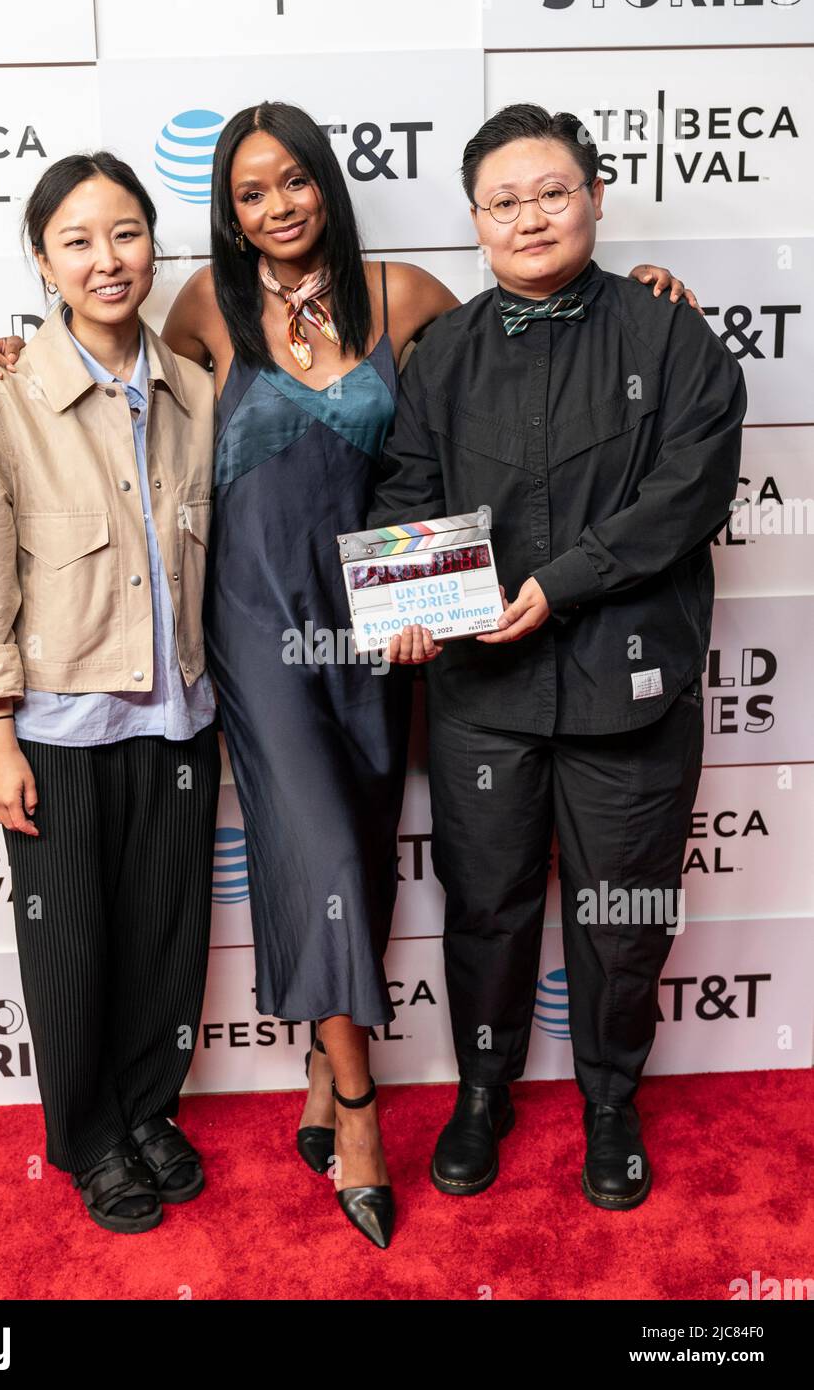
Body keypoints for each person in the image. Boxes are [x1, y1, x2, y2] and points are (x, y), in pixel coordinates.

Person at [0, 102, 699, 1248]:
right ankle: (357, 1111)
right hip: (256, 625)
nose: (276, 207)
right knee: (310, 846)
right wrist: (11, 350)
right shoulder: (202, 307)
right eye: (251, 192)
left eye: (293, 182)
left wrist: (637, 297)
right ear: (229, 208)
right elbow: (102, 372)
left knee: (357, 847)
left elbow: (524, 355)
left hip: (386, 628)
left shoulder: (404, 295)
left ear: (325, 186)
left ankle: (319, 1066)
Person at [370, 103, 747, 1212]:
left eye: (549, 192)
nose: (528, 216)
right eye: (501, 201)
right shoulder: (442, 353)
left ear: (593, 195)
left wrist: (559, 585)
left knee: (621, 910)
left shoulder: (669, 336)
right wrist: (406, 600)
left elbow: (688, 494)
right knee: (484, 904)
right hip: (483, 693)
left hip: (628, 692)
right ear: (475, 221)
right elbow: (405, 491)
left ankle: (610, 1101)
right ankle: (481, 1092)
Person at [0, 151, 220, 1234]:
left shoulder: (192, 389)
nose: (109, 259)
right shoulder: (4, 398)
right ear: (44, 261)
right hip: (56, 725)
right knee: (70, 946)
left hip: (180, 715)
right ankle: (89, 1139)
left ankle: (149, 1113)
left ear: (154, 242)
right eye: (79, 240)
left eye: (128, 233)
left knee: (164, 937)